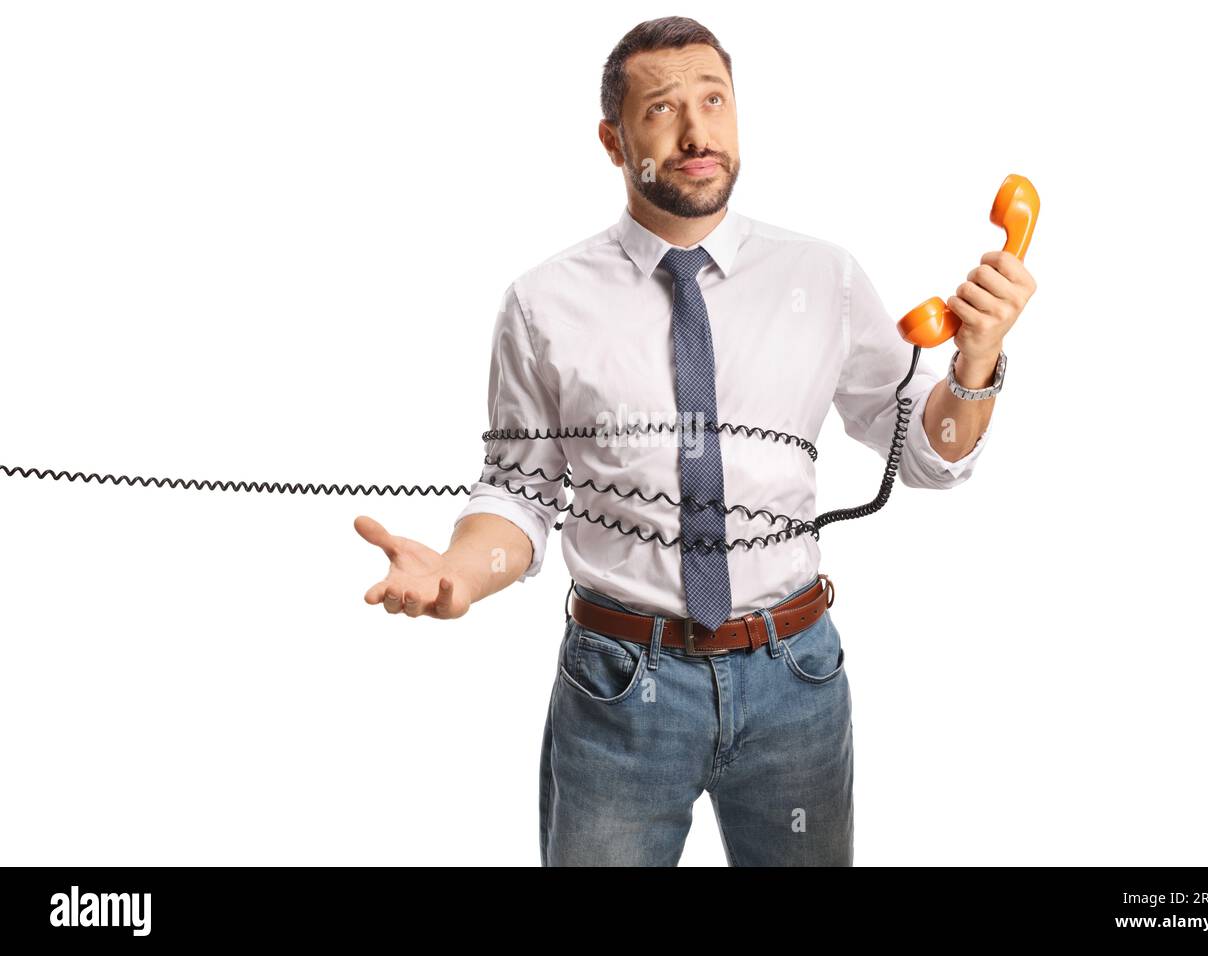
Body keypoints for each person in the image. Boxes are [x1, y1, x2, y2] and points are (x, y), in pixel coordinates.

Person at [354, 16, 1036, 866]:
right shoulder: (542, 303)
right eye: (663, 109)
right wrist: (459, 572)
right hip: (619, 689)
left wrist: (974, 363)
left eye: (714, 101)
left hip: (796, 679)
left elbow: (931, 455)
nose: (696, 133)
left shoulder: (822, 279)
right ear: (614, 140)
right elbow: (518, 496)